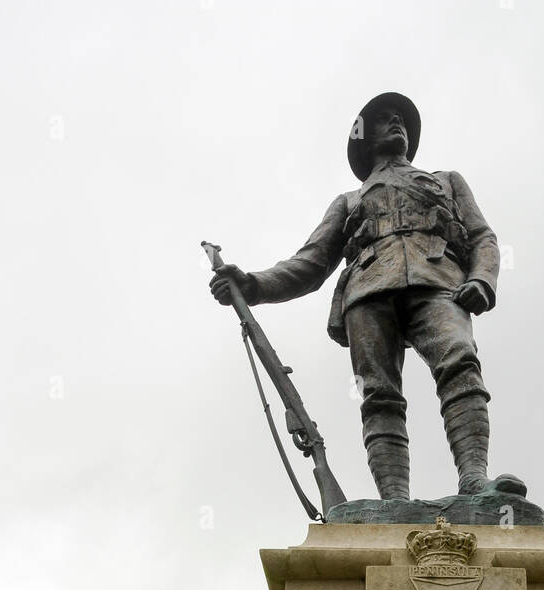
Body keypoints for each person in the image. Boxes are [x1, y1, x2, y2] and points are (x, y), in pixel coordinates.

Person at [210, 92, 500, 502]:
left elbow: (482, 237)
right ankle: (394, 501)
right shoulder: (348, 201)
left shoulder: (447, 181)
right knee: (378, 396)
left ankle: (474, 479)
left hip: (439, 282)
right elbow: (311, 263)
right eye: (384, 119)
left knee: (460, 362)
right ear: (365, 140)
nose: (396, 121)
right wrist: (254, 284)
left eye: (399, 117)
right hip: (367, 292)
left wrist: (483, 279)